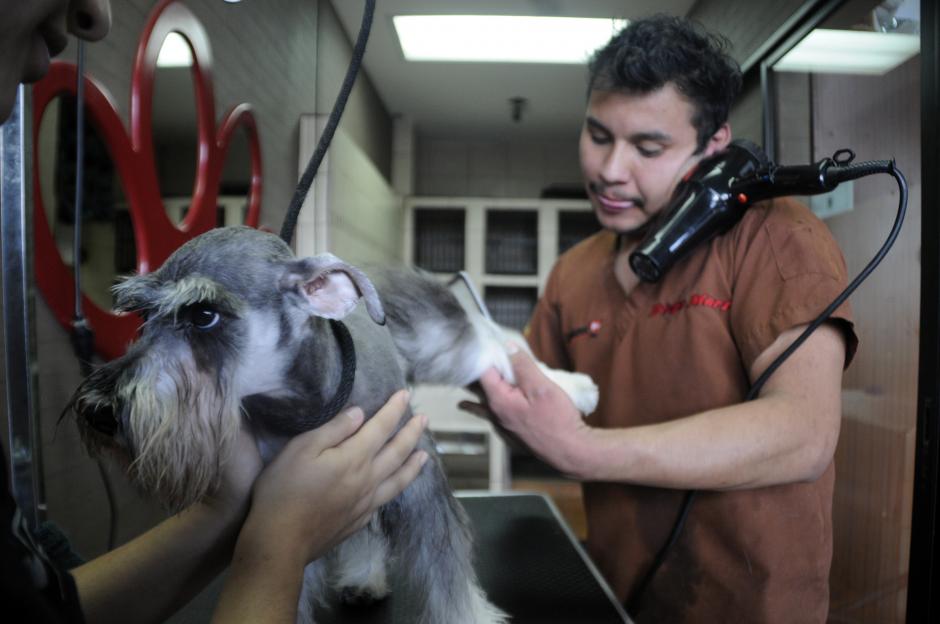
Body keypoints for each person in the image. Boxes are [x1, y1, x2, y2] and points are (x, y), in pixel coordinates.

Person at [0, 2, 428, 623]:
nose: (95, 15)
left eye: (202, 319)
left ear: (323, 294)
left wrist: (231, 516)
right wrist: (279, 541)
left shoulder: (345, 328)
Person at [468, 15, 857, 623]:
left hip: (747, 606)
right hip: (617, 593)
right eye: (598, 135)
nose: (610, 170)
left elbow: (803, 434)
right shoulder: (573, 271)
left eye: (649, 149)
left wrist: (585, 453)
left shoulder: (779, 242)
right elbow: (540, 395)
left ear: (713, 148)